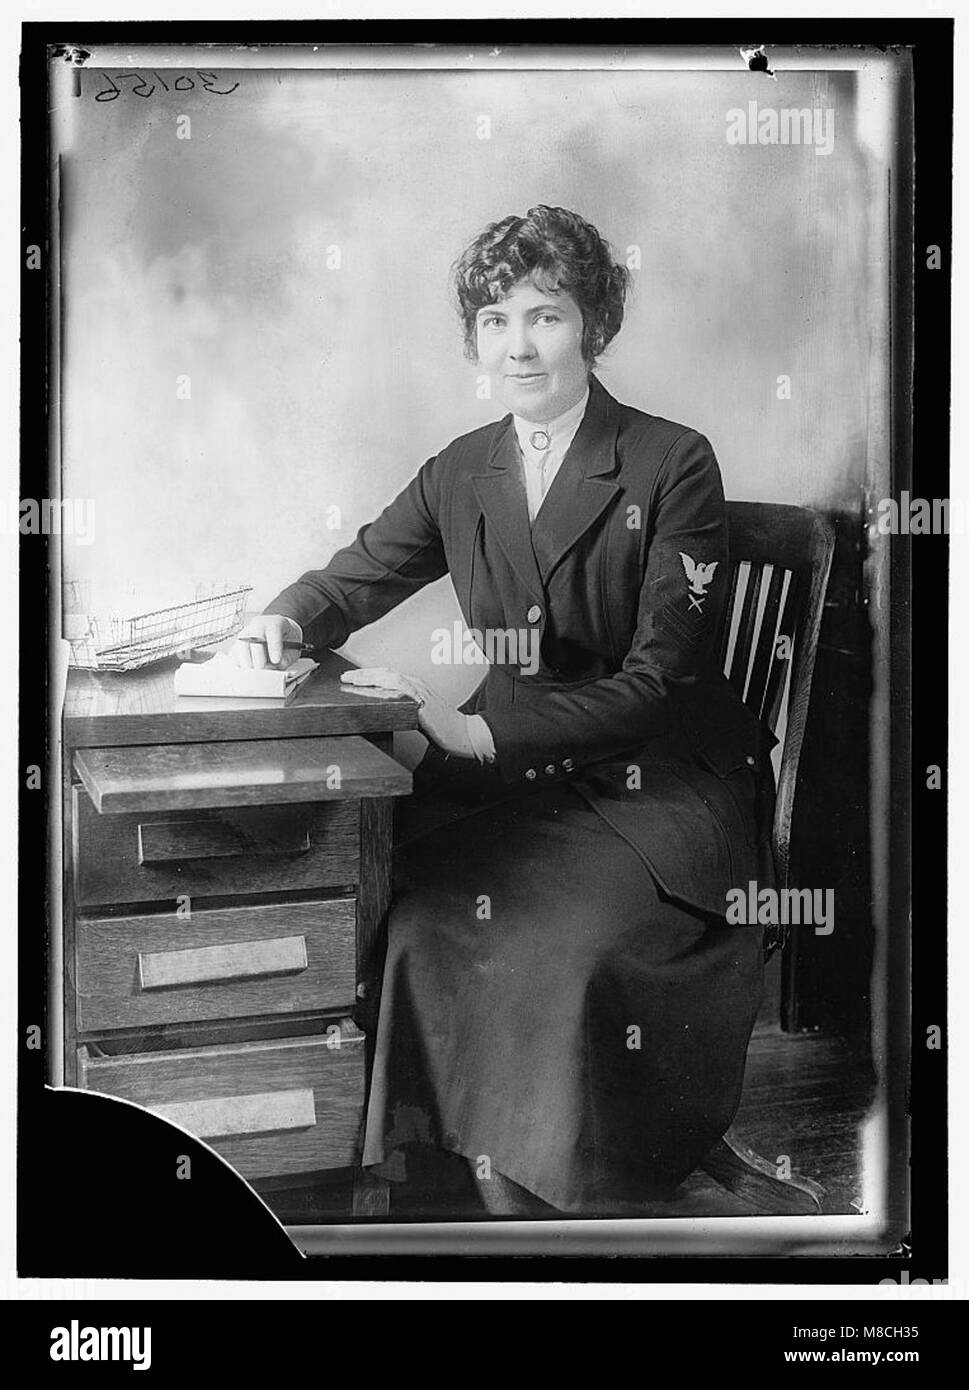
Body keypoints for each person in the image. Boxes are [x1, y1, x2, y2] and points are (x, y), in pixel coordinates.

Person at [236, 205, 777, 1217]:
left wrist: (485, 734)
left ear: (595, 327)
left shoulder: (672, 461)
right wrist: (287, 619)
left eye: (547, 315)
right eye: (495, 320)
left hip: (653, 783)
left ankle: (555, 1193)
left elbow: (660, 680)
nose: (520, 344)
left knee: (548, 947)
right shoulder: (463, 466)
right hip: (510, 776)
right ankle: (443, 1170)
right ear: (476, 340)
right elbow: (356, 575)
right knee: (409, 910)